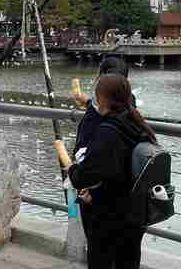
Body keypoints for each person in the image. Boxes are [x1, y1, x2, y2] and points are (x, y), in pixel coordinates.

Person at [67, 73, 157, 269]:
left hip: (111, 215)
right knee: (128, 260)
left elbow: (85, 176)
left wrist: (72, 169)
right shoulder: (137, 124)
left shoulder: (108, 131)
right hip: (135, 211)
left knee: (101, 260)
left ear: (101, 99)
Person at [70, 56, 135, 244]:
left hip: (104, 204)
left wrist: (74, 174)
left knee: (101, 254)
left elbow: (88, 163)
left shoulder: (106, 127)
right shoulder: (133, 115)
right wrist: (90, 103)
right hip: (130, 204)